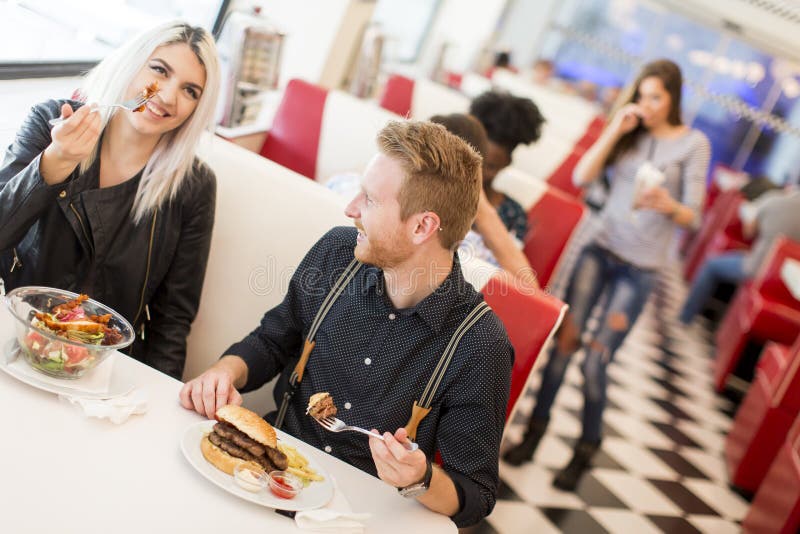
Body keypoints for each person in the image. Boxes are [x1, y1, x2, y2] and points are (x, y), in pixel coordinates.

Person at [180, 121, 514, 527]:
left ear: (423, 226)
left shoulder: (480, 344)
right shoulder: (337, 252)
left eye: (370, 199)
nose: (350, 207)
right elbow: (273, 340)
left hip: (366, 518)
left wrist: (420, 478)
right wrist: (223, 372)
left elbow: (474, 494)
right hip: (267, 480)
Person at [503, 59, 711, 490]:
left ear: (673, 98)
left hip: (640, 270)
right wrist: (617, 127)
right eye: (642, 95)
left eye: (656, 97)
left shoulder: (693, 144)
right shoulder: (629, 131)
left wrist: (667, 205)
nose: (647, 105)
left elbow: (693, 216)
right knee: (563, 349)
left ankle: (585, 451)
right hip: (600, 251)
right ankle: (532, 437)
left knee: (596, 362)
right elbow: (583, 176)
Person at [0, 22, 220, 379]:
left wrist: (158, 404)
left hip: (100, 368)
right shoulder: (50, 122)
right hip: (13, 334)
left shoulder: (192, 187)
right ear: (132, 62)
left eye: (190, 90)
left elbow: (172, 320)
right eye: (159, 70)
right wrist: (54, 163)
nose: (166, 96)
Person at [428, 113, 539, 289]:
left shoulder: (500, 214)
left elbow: (528, 288)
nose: (485, 174)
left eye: (490, 165)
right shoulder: (423, 201)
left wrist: (480, 206)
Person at [679, 182, 800, 324]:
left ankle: (685, 318)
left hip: (757, 269)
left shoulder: (775, 200)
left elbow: (748, 233)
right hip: (785, 288)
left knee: (711, 265)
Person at [469, 91, 545, 241]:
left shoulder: (513, 216)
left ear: (506, 163)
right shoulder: (432, 189)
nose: (477, 171)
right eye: (471, 159)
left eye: (489, 166)